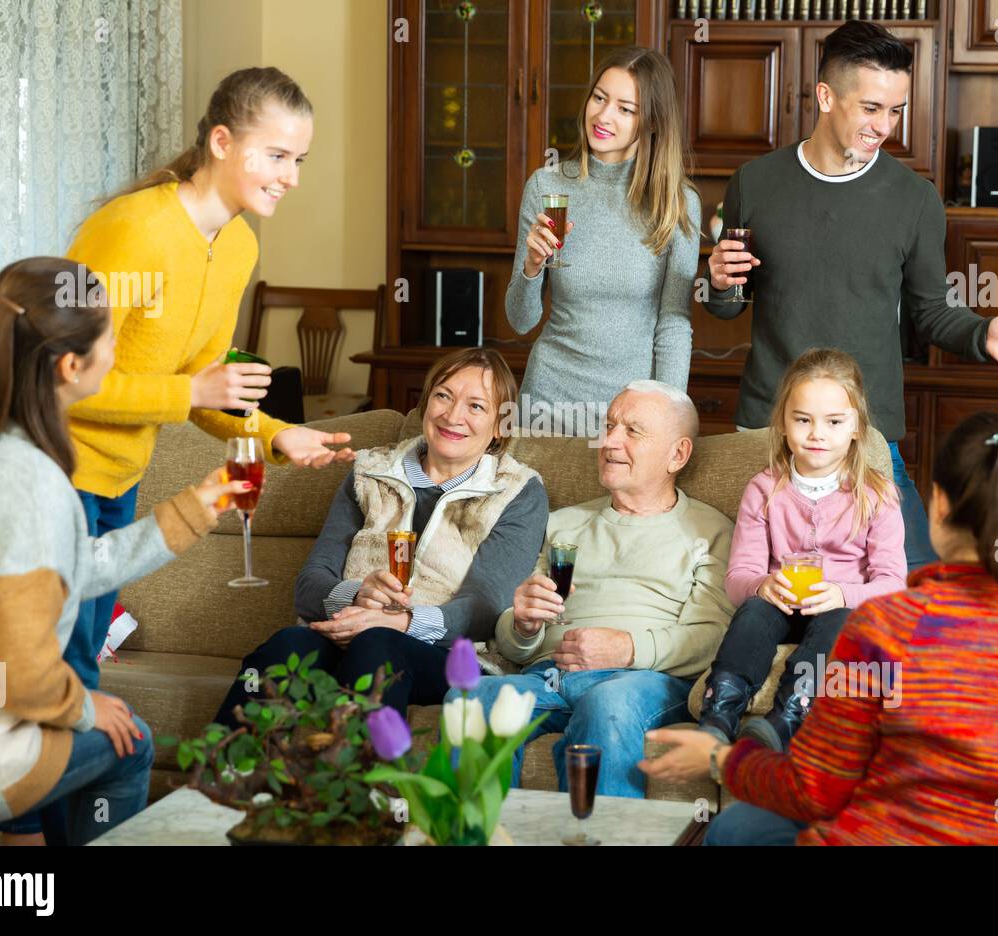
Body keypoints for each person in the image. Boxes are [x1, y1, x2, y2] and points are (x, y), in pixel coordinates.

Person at [0, 258, 250, 845]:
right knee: (131, 741)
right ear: (70, 365)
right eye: (111, 339)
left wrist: (194, 508)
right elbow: (27, 681)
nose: (117, 353)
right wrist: (89, 708)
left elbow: (74, 570)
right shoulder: (31, 479)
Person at [643, 411, 998, 846]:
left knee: (733, 828)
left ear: (938, 506)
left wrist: (718, 758)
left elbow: (813, 789)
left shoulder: (885, 626)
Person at [704, 20, 998, 572]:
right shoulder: (755, 182)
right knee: (759, 584)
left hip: (868, 431)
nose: (883, 126)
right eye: (870, 108)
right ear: (825, 96)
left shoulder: (914, 199)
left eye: (895, 111)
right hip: (770, 427)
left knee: (906, 581)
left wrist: (985, 334)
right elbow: (727, 303)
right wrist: (719, 281)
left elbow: (931, 313)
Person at [63, 66, 354, 696]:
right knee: (55, 679)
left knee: (82, 674)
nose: (291, 177)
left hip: (118, 478)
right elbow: (60, 381)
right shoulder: (132, 229)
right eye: (276, 155)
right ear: (222, 143)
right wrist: (193, 392)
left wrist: (280, 436)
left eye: (299, 158)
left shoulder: (239, 244)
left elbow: (205, 384)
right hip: (53, 477)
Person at [214, 348, 548, 722]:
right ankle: (224, 775)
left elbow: (485, 607)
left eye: (476, 406)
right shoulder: (369, 472)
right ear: (425, 402)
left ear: (500, 426)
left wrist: (401, 623)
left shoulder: (517, 491)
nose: (453, 416)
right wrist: (356, 596)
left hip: (454, 658)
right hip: (348, 633)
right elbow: (309, 584)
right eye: (443, 396)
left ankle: (363, 780)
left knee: (378, 645)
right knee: (287, 646)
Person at [449, 381, 735, 798]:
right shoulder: (562, 523)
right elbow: (513, 644)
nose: (609, 440)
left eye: (632, 431)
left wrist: (629, 648)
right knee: (476, 697)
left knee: (609, 703)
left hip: (646, 680)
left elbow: (712, 637)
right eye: (608, 425)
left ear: (678, 454)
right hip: (547, 676)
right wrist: (523, 624)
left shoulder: (710, 531)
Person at [697, 349, 905, 750]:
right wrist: (763, 585)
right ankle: (720, 709)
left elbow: (893, 584)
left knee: (840, 619)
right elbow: (738, 577)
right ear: (782, 423)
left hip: (842, 610)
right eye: (803, 420)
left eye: (834, 422)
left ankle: (791, 711)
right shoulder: (764, 489)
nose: (817, 434)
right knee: (755, 609)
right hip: (782, 604)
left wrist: (842, 593)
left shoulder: (877, 495)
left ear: (856, 427)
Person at [506, 46, 700, 434]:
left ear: (652, 122)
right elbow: (520, 321)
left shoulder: (675, 204)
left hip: (627, 414)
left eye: (625, 109)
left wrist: (664, 420)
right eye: (599, 97)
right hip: (546, 402)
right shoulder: (547, 186)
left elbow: (673, 327)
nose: (604, 115)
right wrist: (531, 267)